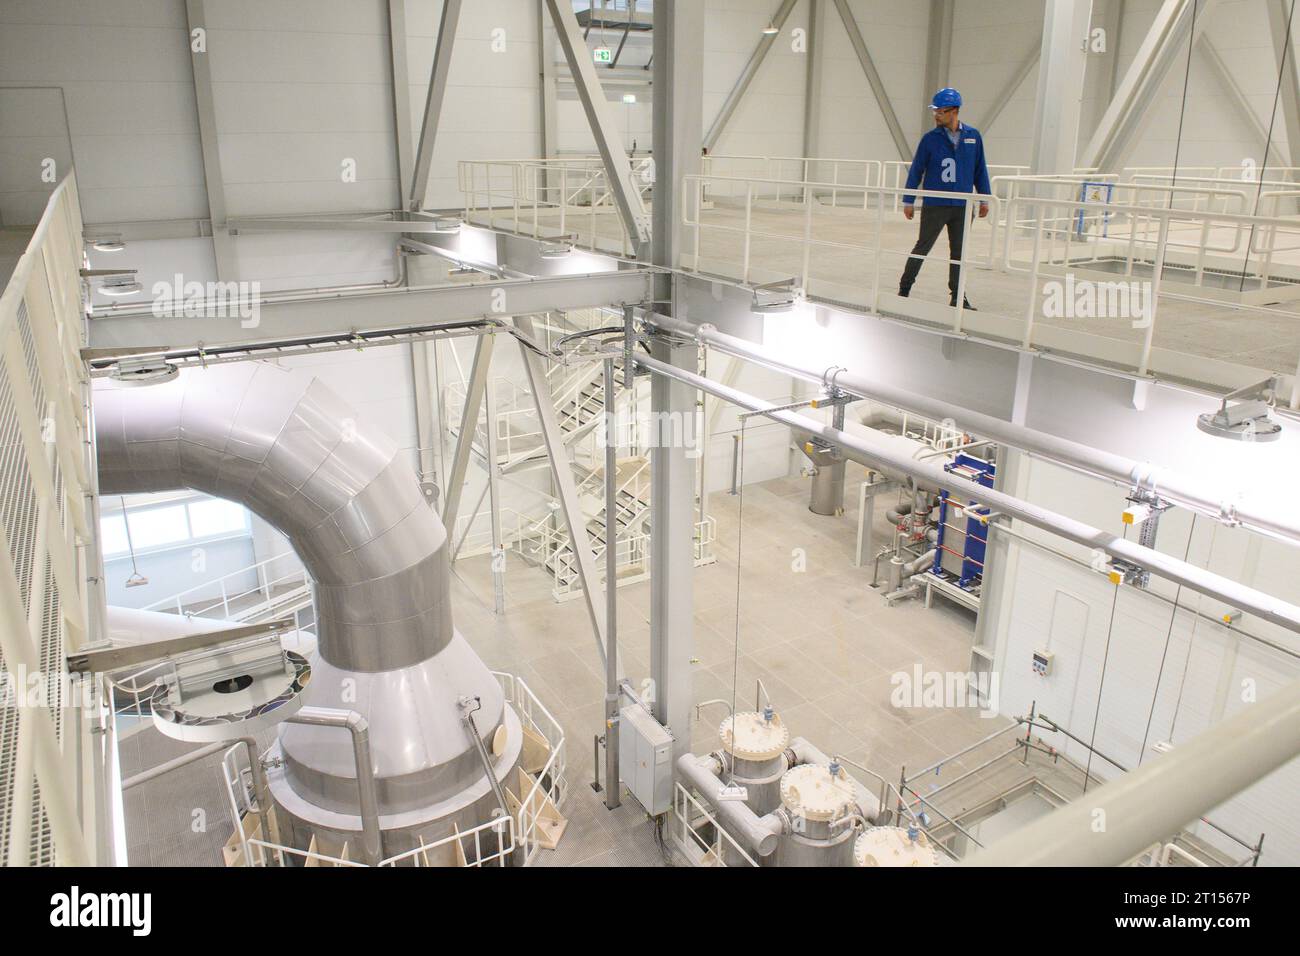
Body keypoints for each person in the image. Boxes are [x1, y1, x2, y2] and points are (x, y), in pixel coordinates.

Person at [897, 87, 991, 310]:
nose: (937, 115)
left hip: (963, 206)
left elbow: (980, 169)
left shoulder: (973, 137)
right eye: (935, 111)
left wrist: (984, 198)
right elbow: (917, 169)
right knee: (923, 246)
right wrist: (909, 200)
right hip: (935, 204)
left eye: (941, 111)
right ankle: (904, 289)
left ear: (954, 111)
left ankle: (958, 296)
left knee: (959, 252)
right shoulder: (930, 139)